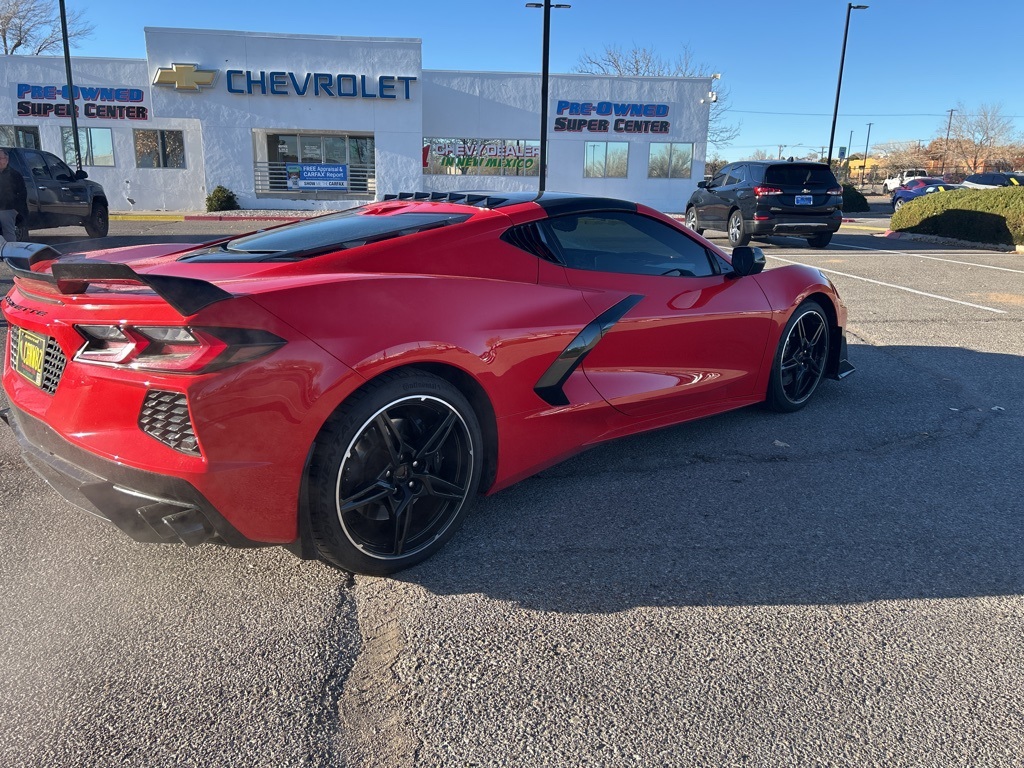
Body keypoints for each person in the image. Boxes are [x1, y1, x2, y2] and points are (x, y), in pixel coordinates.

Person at [0, 148, 29, 243]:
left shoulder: (14, 175)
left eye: (0, 158)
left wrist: (16, 209)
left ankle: (11, 254)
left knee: (8, 234)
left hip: (8, 209)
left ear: (6, 159)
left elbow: (22, 194)